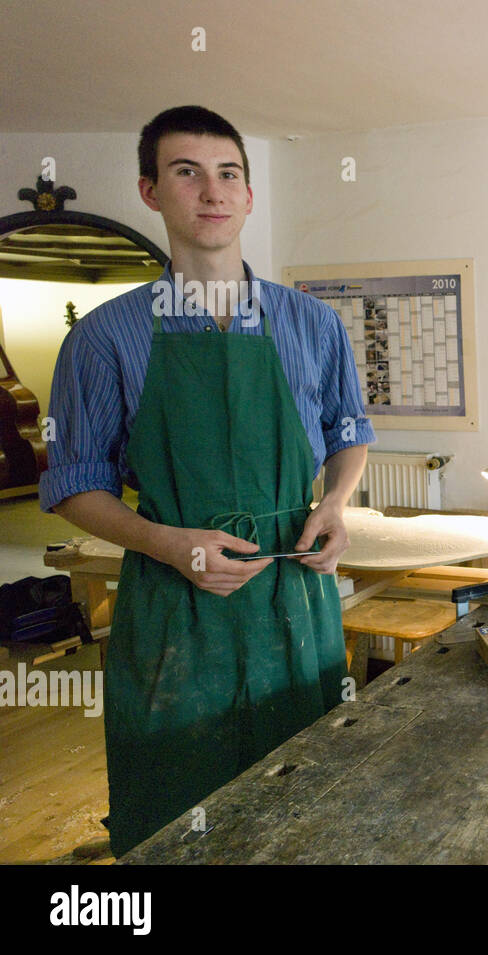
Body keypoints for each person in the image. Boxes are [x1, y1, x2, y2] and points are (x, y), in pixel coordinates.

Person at [39, 105, 376, 856]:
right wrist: (165, 542)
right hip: (173, 611)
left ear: (249, 196)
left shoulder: (312, 325)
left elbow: (349, 434)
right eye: (185, 172)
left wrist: (334, 503)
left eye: (229, 173)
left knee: (306, 797)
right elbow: (72, 482)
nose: (212, 191)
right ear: (150, 191)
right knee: (174, 804)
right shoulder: (104, 337)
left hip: (297, 599)